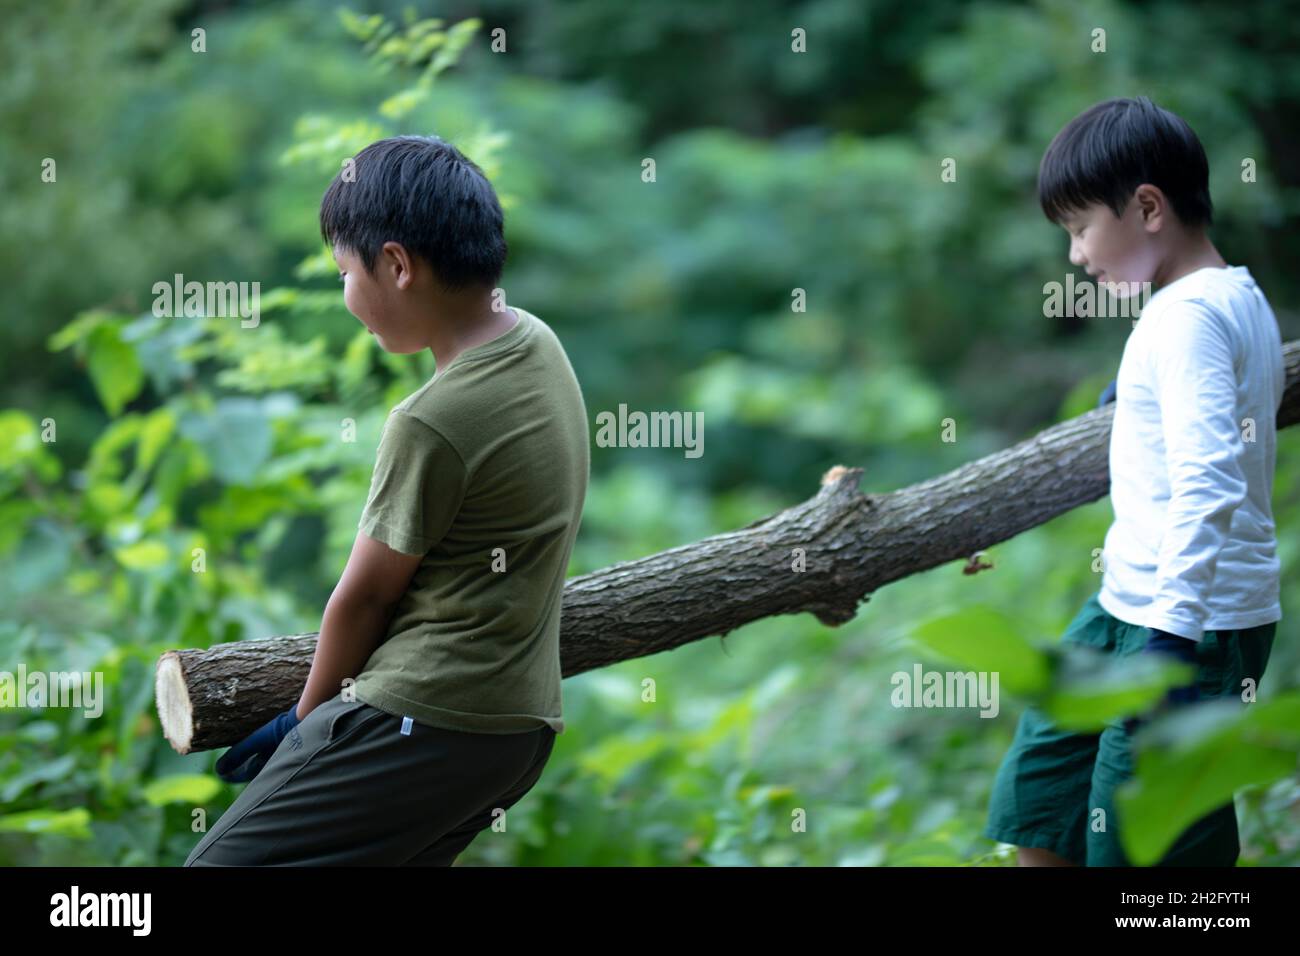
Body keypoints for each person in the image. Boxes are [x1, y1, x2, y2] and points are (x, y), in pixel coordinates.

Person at [186, 135, 590, 865]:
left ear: (398, 265)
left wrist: (303, 725)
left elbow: (364, 598)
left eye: (346, 272)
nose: (347, 299)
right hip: (515, 736)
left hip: (424, 717)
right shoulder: (538, 345)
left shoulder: (432, 419)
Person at [984, 97, 1284, 866]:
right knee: (1040, 801)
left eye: (1081, 229)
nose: (1078, 257)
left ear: (1147, 207)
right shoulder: (1230, 298)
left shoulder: (1184, 319)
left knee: (1150, 847)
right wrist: (1129, 401)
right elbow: (1217, 401)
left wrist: (1173, 641)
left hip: (1191, 622)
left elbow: (1212, 476)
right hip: (1127, 602)